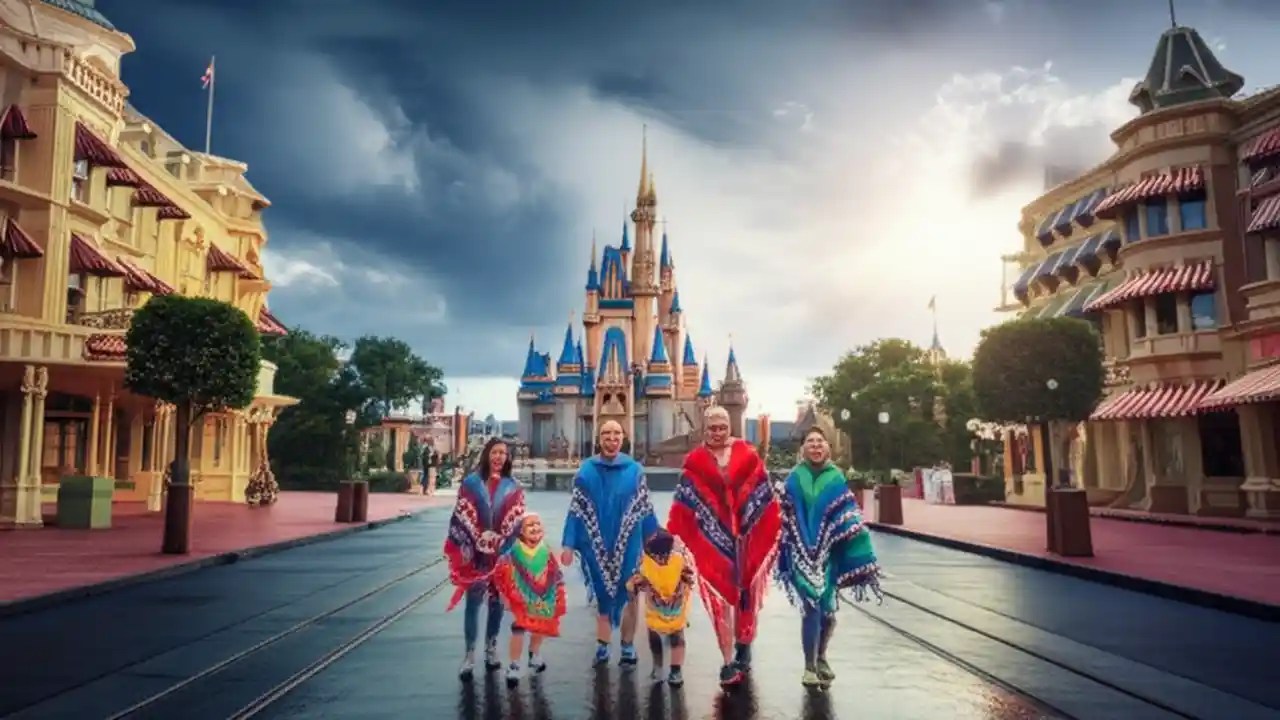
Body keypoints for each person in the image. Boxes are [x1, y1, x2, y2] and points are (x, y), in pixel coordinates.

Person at [668, 405, 781, 688]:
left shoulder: (747, 453)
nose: (717, 433)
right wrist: (674, 539)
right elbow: (683, 504)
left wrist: (771, 523)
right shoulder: (694, 461)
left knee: (746, 596)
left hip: (747, 540)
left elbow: (764, 493)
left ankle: (744, 645)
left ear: (729, 427)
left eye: (722, 428)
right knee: (720, 599)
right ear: (703, 430)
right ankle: (727, 660)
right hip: (712, 543)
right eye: (712, 428)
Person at [776, 426, 883, 688]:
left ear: (827, 447)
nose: (815, 446)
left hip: (829, 556)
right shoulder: (795, 478)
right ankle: (809, 666)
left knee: (828, 613)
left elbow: (848, 513)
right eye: (810, 442)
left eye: (819, 442)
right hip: (800, 553)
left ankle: (822, 656)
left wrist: (860, 544)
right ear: (802, 449)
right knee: (810, 607)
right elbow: (783, 511)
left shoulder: (835, 478)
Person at [561, 420, 659, 667]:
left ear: (623, 437)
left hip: (629, 542)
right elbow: (576, 510)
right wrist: (568, 544)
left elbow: (645, 509)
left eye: (616, 433)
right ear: (599, 438)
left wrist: (655, 540)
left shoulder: (634, 470)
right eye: (606, 433)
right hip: (597, 542)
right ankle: (603, 645)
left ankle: (627, 646)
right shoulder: (586, 470)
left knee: (630, 592)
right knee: (603, 593)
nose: (611, 437)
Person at [443, 437, 526, 681]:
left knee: (497, 604)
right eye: (495, 452)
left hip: (501, 556)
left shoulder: (514, 487)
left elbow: (517, 521)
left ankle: (491, 648)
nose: (499, 457)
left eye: (503, 453)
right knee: (473, 602)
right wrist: (469, 543)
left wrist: (507, 547)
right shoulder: (471, 484)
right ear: (487, 454)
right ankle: (469, 654)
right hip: (476, 556)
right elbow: (460, 516)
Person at [493, 512, 566, 687]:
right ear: (520, 531)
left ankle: (534, 654)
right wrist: (504, 595)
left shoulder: (546, 551)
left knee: (540, 626)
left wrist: (560, 589)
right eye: (530, 525)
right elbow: (499, 573)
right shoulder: (512, 553)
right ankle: (514, 664)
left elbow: (556, 573)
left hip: (543, 598)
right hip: (520, 598)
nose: (535, 528)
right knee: (518, 629)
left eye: (537, 524)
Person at [624, 527, 695, 687]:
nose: (658, 559)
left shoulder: (679, 560)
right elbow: (637, 579)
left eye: (661, 556)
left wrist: (680, 592)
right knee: (654, 636)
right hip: (655, 607)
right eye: (654, 556)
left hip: (675, 604)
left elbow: (689, 578)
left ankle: (676, 670)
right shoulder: (646, 562)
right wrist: (634, 588)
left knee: (677, 637)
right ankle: (658, 667)